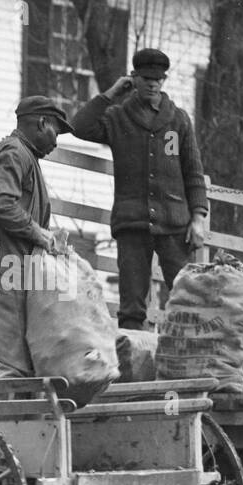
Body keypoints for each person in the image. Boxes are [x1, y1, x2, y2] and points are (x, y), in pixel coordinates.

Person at [70, 47, 208, 331]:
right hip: (132, 222)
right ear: (133, 78)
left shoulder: (178, 120)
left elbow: (193, 172)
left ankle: (188, 358)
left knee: (187, 298)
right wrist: (109, 94)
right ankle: (132, 366)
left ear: (164, 80)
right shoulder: (117, 116)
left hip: (174, 222)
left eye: (158, 79)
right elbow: (78, 126)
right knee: (132, 305)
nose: (153, 84)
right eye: (146, 78)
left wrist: (198, 217)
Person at [0, 96, 68, 376]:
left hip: (3, 270)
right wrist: (39, 234)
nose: (56, 141)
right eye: (55, 131)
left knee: (15, 363)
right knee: (9, 365)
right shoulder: (15, 153)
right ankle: (4, 419)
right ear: (42, 122)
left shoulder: (24, 156)